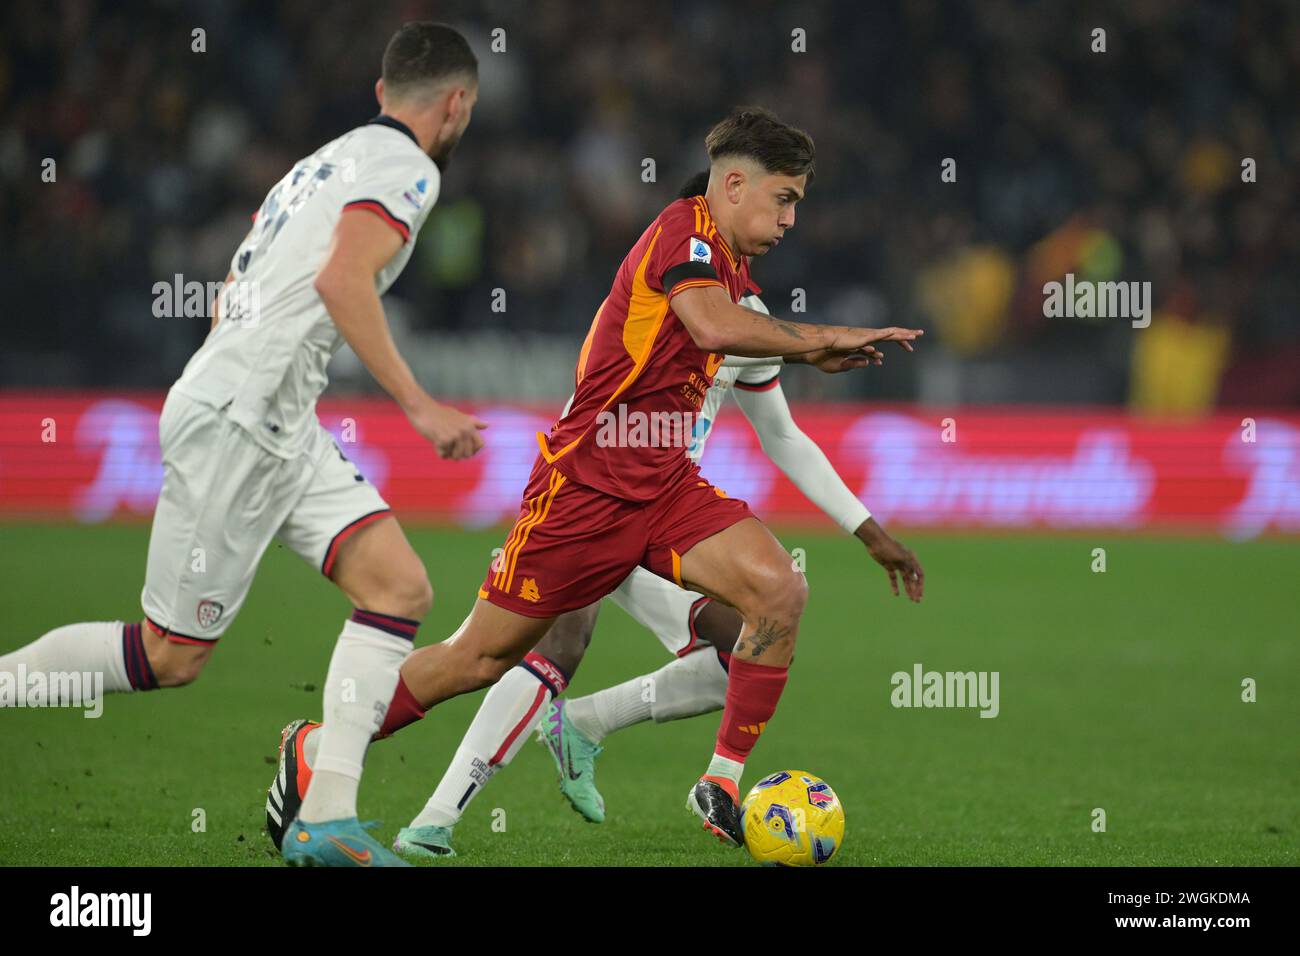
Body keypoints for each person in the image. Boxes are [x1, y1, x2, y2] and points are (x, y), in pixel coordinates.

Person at [271, 106, 923, 857]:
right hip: (585, 491)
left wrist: (869, 529)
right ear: (735, 185)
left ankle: (722, 779)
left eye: (798, 203)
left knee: (779, 589)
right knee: (478, 659)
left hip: (666, 485)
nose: (793, 219)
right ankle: (322, 745)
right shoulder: (685, 232)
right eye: (786, 198)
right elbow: (710, 328)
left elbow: (769, 409)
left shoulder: (737, 271)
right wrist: (826, 340)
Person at [0, 22, 485, 868]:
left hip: (271, 418)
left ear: (379, 93)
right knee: (168, 657)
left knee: (399, 588)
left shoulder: (323, 162)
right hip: (242, 419)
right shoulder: (410, 168)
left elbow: (235, 291)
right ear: (459, 103)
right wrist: (417, 405)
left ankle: (327, 820)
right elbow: (340, 280)